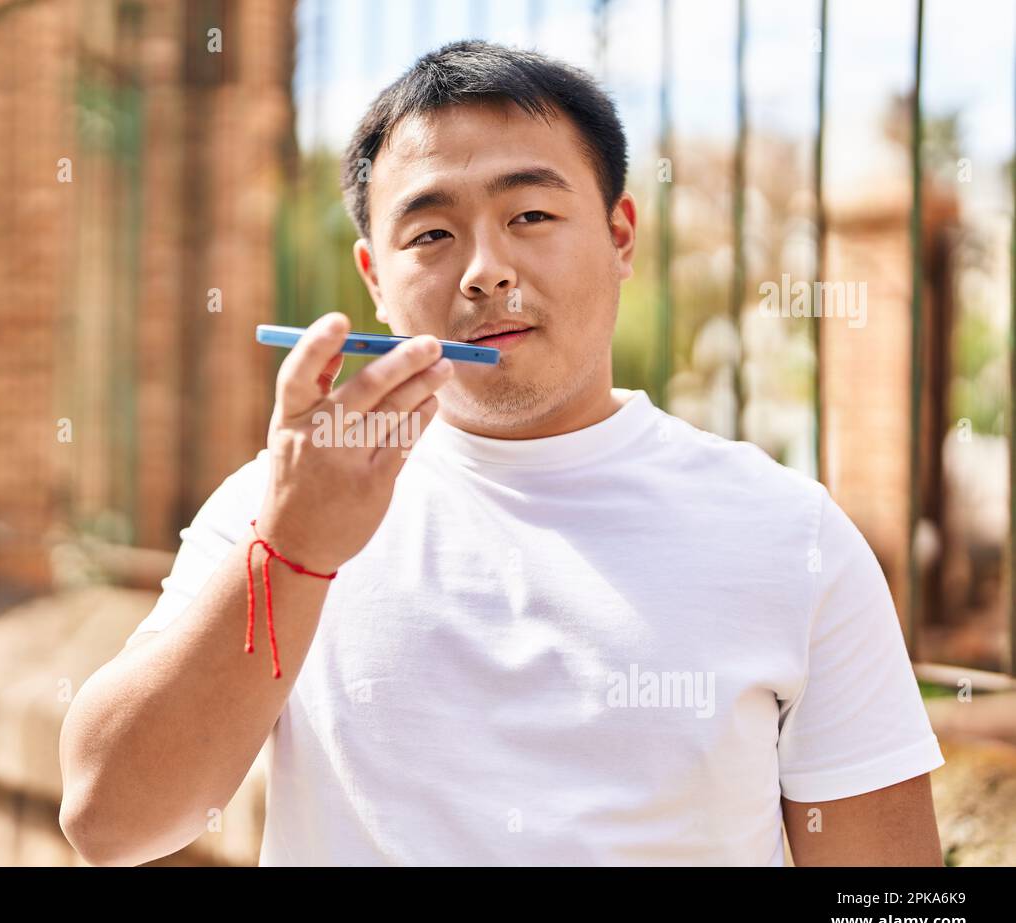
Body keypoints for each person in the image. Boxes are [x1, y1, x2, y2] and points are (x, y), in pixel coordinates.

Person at [59, 40, 945, 866]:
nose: (485, 269)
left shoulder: (791, 535)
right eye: (432, 235)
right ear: (375, 278)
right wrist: (292, 552)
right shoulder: (278, 504)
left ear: (620, 235)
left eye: (530, 213)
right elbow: (110, 820)